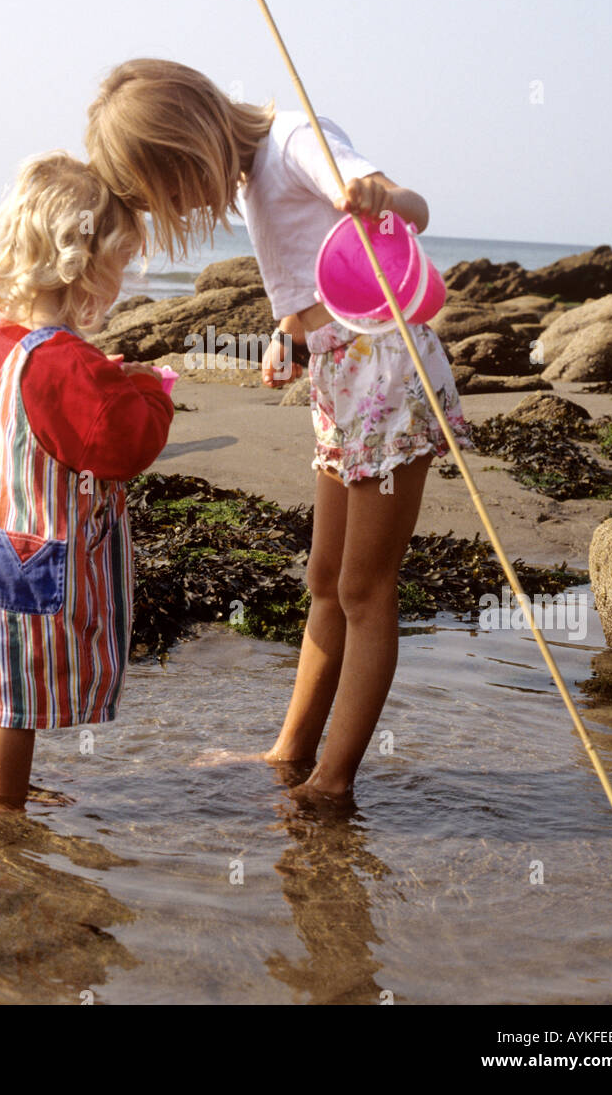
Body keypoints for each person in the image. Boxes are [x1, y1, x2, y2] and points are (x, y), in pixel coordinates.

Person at [84, 60, 473, 800]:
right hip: (339, 377)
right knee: (323, 580)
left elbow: (411, 211)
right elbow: (306, 273)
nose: (175, 206)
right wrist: (287, 335)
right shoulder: (251, 177)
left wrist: (380, 196)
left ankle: (333, 779)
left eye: (166, 187)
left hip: (386, 368)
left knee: (365, 588)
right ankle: (290, 751)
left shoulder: (296, 140)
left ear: (189, 141)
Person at [0, 150, 173, 810]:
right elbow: (122, 447)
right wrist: (151, 393)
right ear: (87, 266)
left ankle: (0, 789)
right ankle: (2, 808)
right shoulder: (64, 362)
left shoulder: (0, 344)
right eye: (121, 262)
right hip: (34, 557)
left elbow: (48, 423)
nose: (122, 278)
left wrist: (103, 379)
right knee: (15, 695)